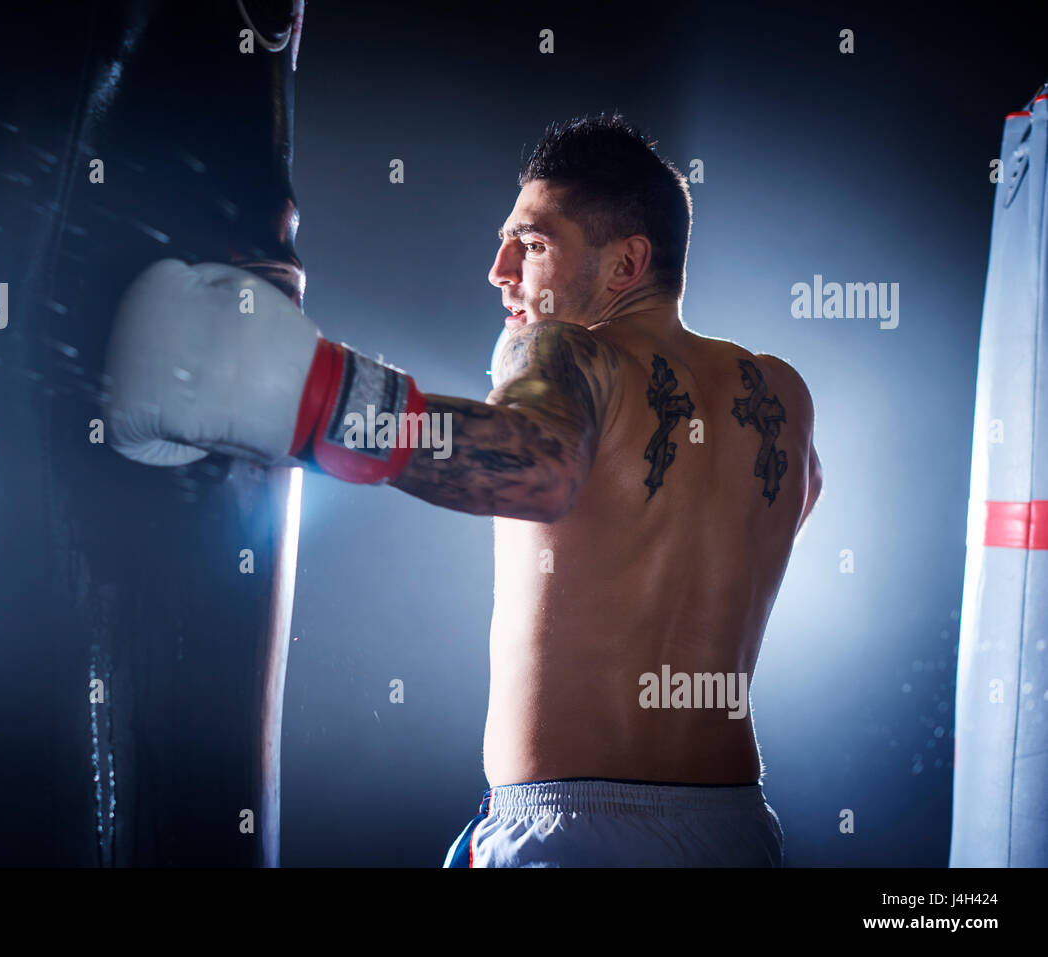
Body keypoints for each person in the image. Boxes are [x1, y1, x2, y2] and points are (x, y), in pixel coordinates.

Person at [104, 112, 821, 867]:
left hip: (572, 835)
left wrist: (309, 398)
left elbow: (537, 466)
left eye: (535, 243)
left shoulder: (563, 346)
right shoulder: (780, 393)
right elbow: (791, 503)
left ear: (625, 263)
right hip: (735, 830)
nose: (501, 269)